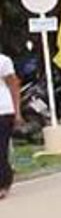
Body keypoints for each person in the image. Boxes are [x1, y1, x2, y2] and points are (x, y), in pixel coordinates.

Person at [0, 50, 21, 200]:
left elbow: (14, 85)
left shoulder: (3, 61)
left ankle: (4, 183)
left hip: (3, 111)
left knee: (1, 149)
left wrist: (17, 111)